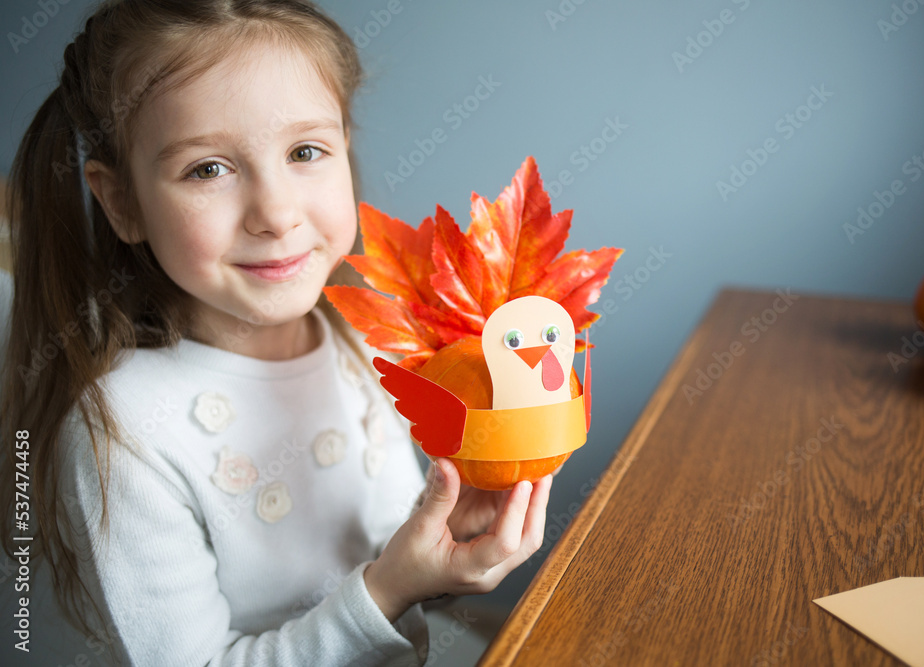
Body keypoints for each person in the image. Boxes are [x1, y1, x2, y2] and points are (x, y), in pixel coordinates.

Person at [0, 1, 552, 665]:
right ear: (123, 202)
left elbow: (376, 568)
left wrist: (438, 542)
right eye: (208, 168)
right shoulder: (120, 432)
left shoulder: (356, 339)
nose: (276, 212)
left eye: (304, 152)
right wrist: (392, 587)